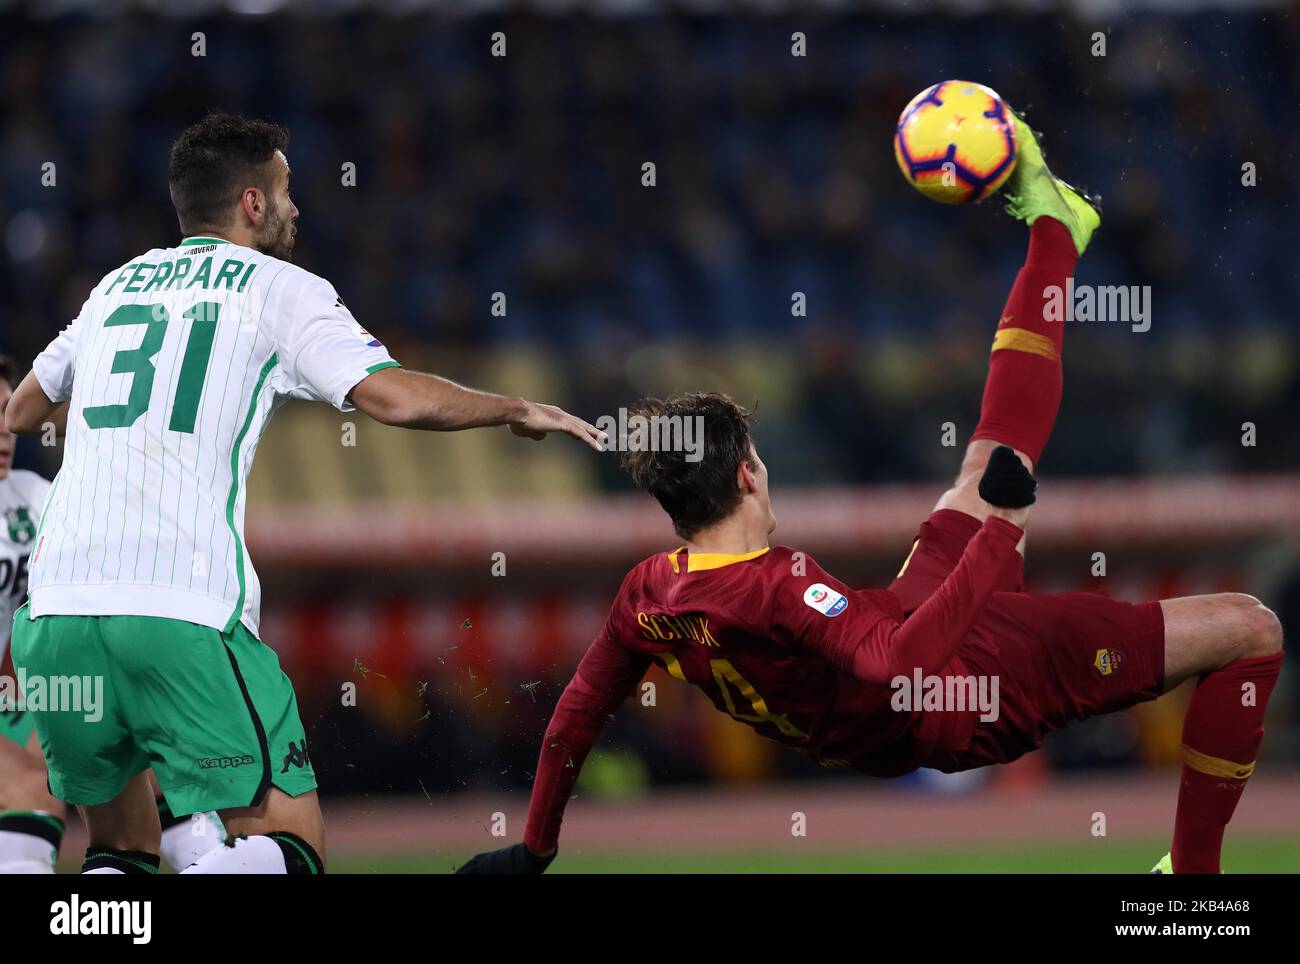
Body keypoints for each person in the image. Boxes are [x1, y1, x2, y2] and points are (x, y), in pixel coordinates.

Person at [459, 113, 1283, 876]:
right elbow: (899, 667)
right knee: (1251, 630)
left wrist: (534, 849)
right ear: (748, 472)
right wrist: (1004, 531)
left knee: (989, 454)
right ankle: (1192, 883)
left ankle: (1055, 224)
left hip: (911, 616)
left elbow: (578, 710)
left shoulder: (650, 590)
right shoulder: (775, 588)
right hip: (969, 691)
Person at [4, 113, 605, 875]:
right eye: (288, 190)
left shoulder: (114, 287)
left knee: (123, 846)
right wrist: (514, 407)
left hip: (52, 613)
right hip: (175, 607)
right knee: (289, 845)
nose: (299, 208)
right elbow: (391, 398)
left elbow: (22, 409)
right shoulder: (278, 289)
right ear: (252, 203)